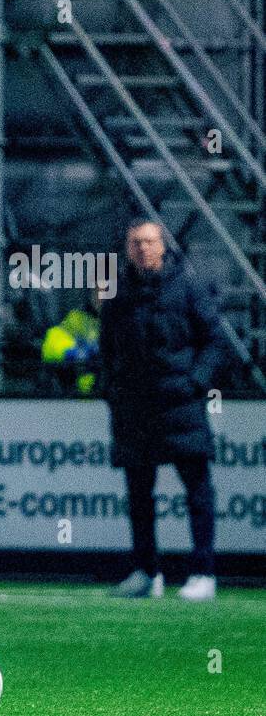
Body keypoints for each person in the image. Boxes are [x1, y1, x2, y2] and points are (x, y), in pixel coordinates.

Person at [98, 218, 229, 602]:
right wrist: (113, 389)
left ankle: (203, 572)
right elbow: (108, 349)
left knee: (198, 491)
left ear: (163, 246)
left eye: (149, 242)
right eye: (136, 242)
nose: (143, 249)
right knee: (139, 494)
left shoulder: (187, 287)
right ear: (128, 249)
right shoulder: (118, 295)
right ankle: (146, 571)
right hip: (135, 410)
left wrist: (194, 382)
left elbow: (216, 341)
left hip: (181, 406)